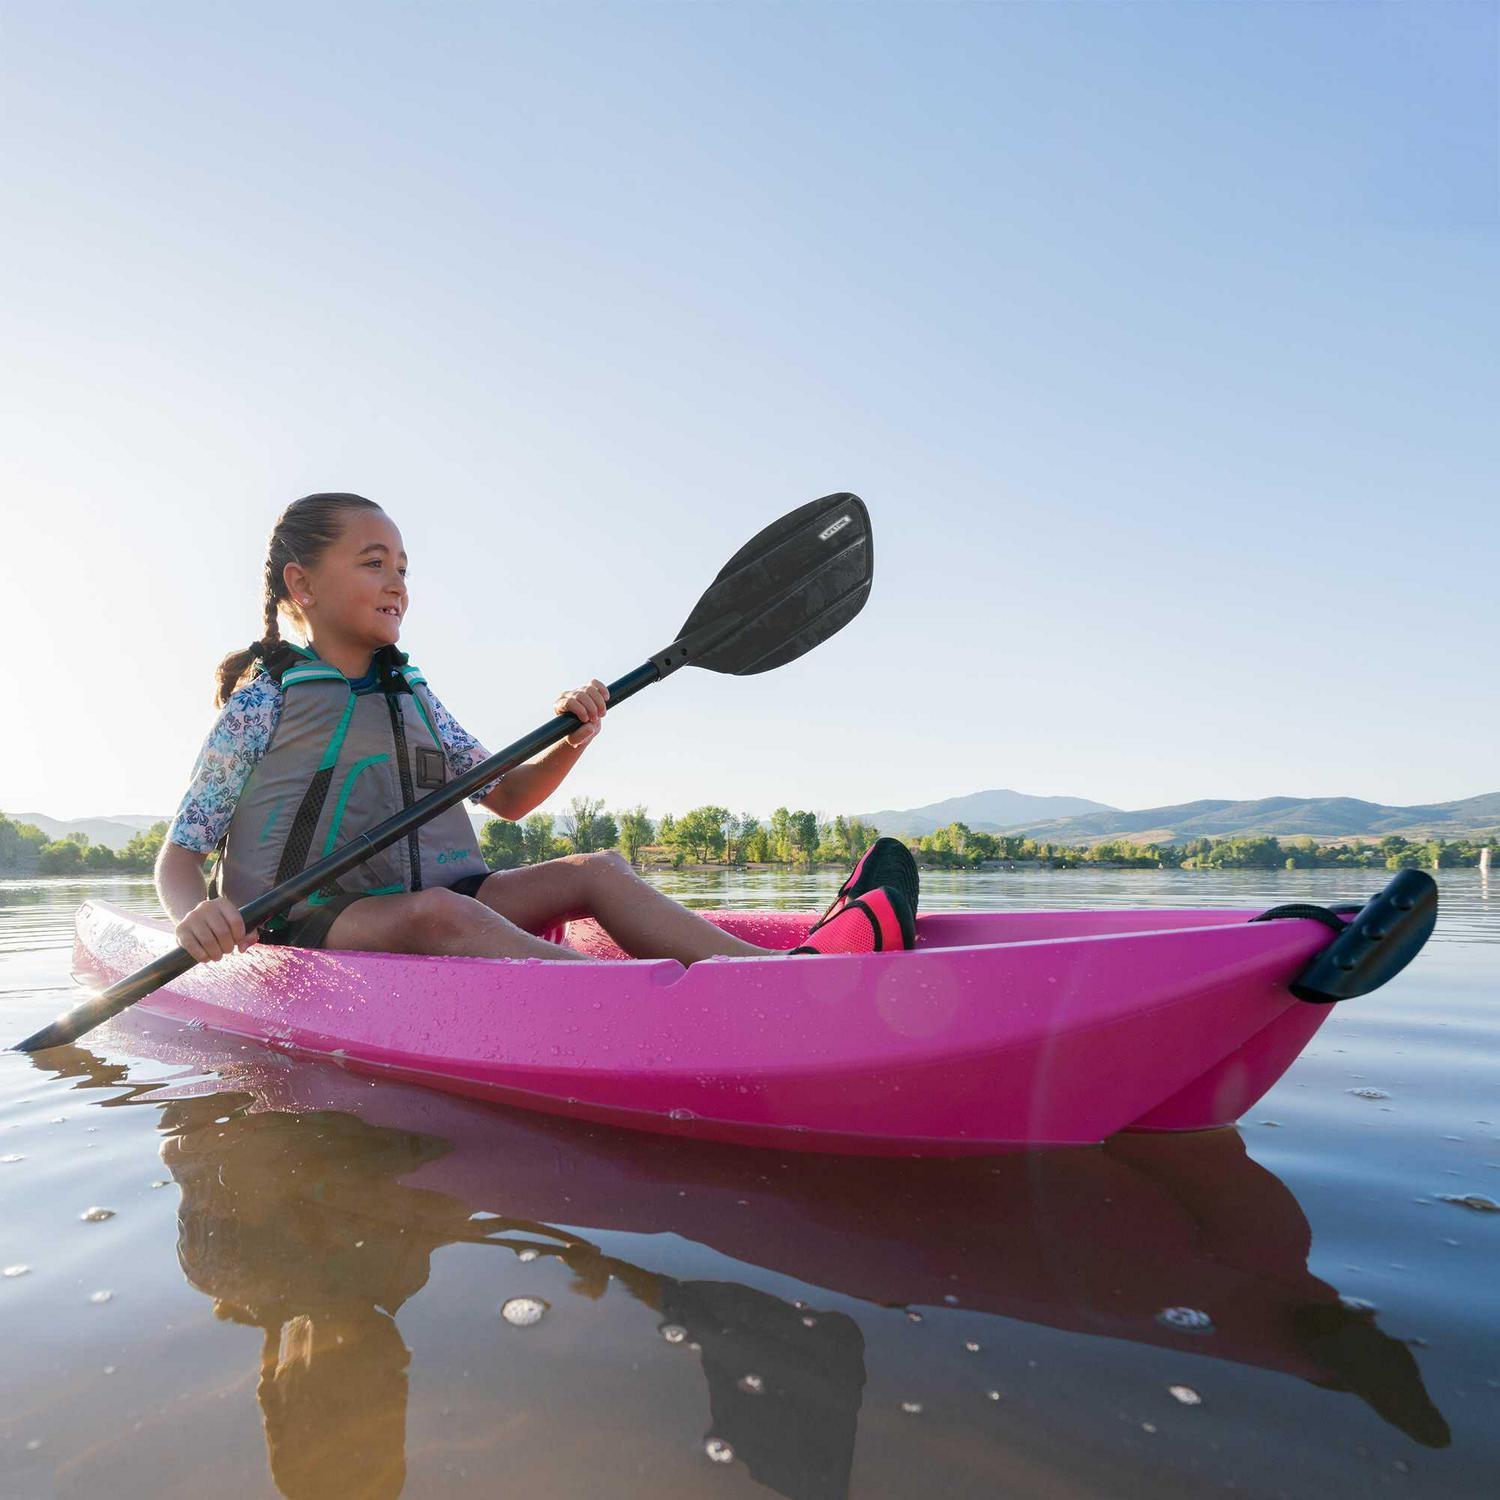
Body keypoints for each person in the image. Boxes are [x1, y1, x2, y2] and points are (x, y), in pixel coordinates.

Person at [157, 492, 919, 967]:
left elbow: (512, 798)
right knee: (444, 914)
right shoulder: (264, 704)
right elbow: (181, 854)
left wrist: (574, 737)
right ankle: (650, 1002)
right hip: (309, 920)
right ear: (302, 584)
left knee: (596, 869)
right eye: (373, 562)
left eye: (404, 567)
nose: (397, 583)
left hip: (439, 896)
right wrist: (197, 916)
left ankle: (776, 980)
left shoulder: (413, 696)